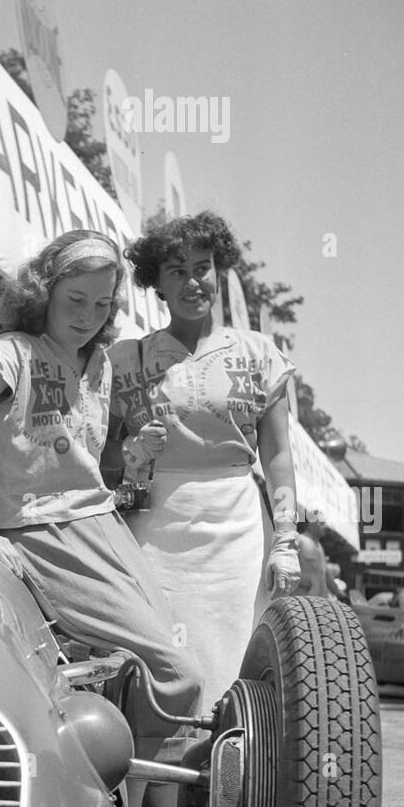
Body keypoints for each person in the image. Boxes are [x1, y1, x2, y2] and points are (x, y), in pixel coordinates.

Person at [0, 229, 202, 807]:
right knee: (177, 674)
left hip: (102, 524)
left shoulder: (99, 363)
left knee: (160, 672)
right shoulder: (8, 353)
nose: (87, 317)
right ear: (43, 292)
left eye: (102, 305)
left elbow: (81, 467)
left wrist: (133, 459)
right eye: (76, 300)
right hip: (39, 531)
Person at [107, 211, 301, 716]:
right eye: (177, 271)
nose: (194, 281)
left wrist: (285, 538)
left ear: (219, 270)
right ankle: (150, 787)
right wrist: (129, 454)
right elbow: (96, 458)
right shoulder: (124, 359)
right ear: (157, 285)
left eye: (203, 266)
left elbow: (278, 454)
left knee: (229, 654)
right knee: (154, 655)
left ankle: (225, 780)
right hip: (153, 524)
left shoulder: (261, 354)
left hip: (235, 527)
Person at [295, 518, 330, 597]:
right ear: (310, 524)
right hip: (302, 602)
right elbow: (287, 571)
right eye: (321, 523)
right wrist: (308, 582)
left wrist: (338, 592)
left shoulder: (320, 546)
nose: (326, 526)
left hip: (320, 603)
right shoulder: (298, 540)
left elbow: (325, 574)